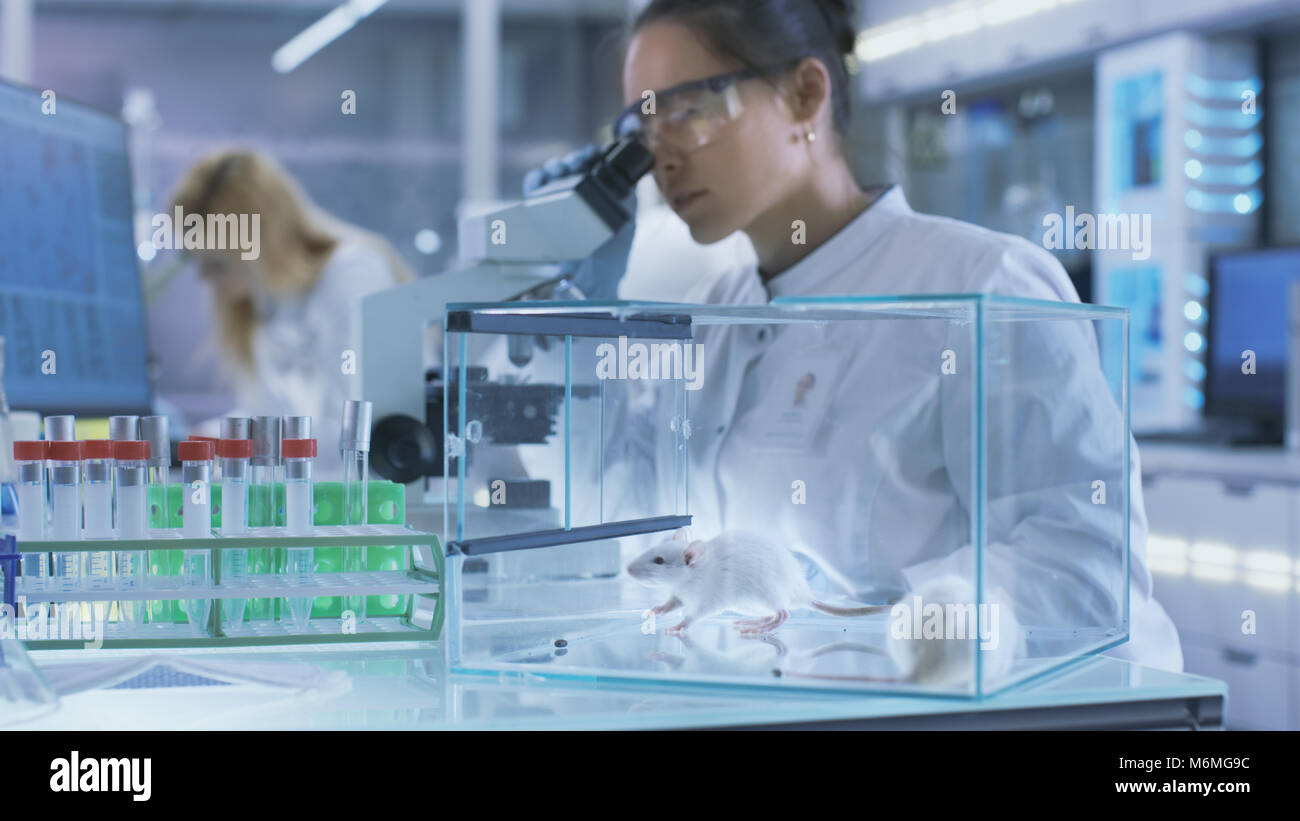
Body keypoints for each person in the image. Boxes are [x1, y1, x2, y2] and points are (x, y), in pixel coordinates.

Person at [530, 0, 1180, 673]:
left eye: (688, 108)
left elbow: (1082, 570)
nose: (660, 156)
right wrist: (567, 323)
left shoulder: (985, 284)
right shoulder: (710, 318)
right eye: (642, 123)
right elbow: (624, 526)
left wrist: (874, 632)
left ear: (806, 93)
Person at [169, 151, 413, 474]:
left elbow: (352, 437)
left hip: (388, 501)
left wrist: (225, 444)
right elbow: (270, 416)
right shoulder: (267, 306)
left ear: (265, 244)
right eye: (193, 259)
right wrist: (200, 440)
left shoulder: (353, 274)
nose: (203, 280)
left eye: (216, 264)